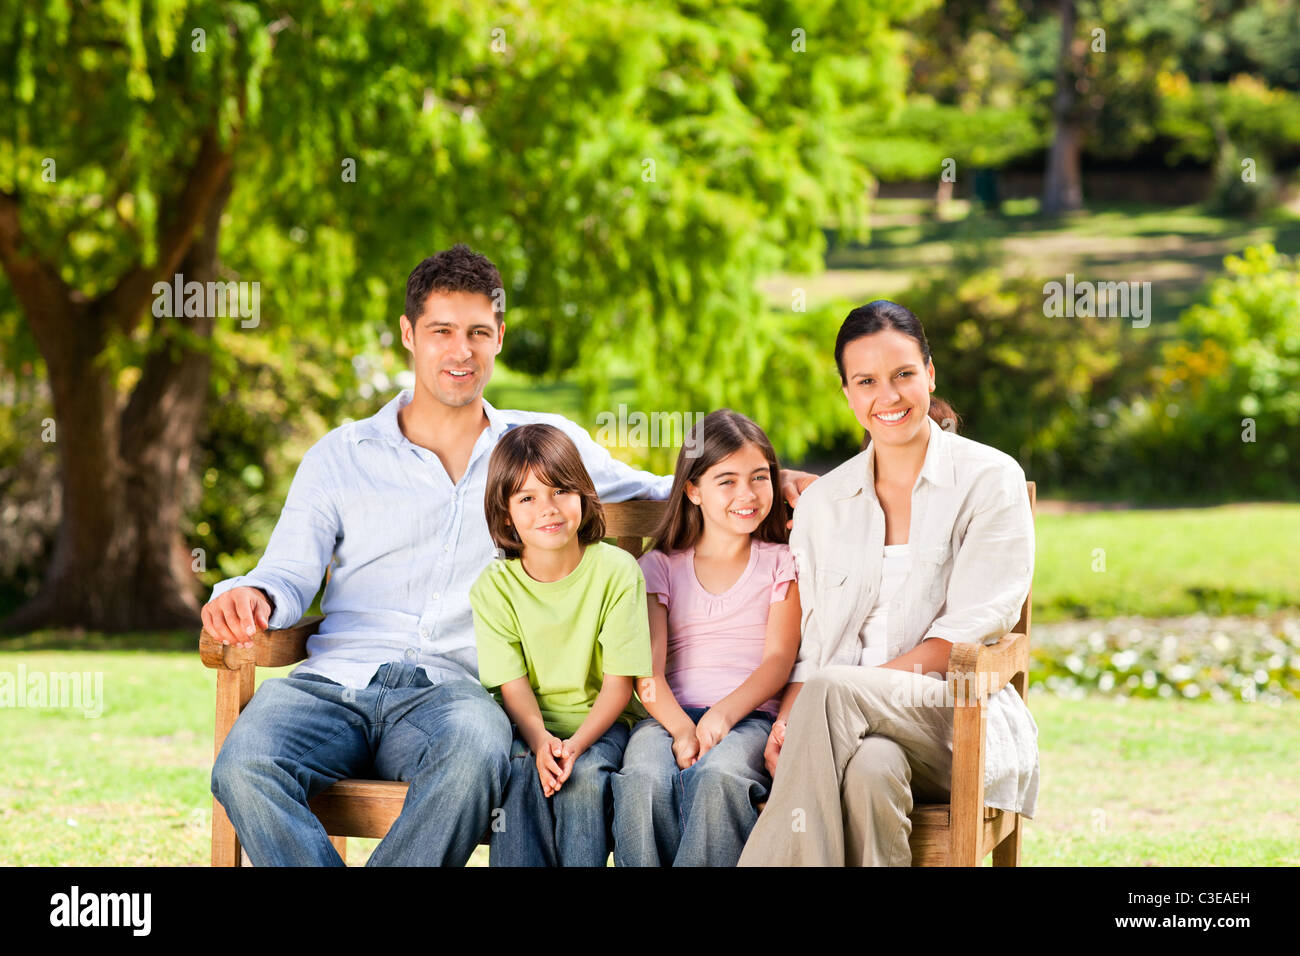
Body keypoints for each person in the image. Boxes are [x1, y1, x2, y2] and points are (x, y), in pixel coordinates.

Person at [203, 244, 818, 866]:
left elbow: (668, 489)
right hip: (333, 682)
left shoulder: (538, 449)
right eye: (442, 331)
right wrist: (250, 594)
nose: (460, 350)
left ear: (498, 337)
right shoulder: (341, 456)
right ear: (408, 335)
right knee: (245, 765)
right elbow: (283, 574)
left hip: (452, 696)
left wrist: (770, 480)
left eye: (477, 332)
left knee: (474, 759)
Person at [738, 300, 1040, 867]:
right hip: (848, 732)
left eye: (904, 374)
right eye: (867, 381)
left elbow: (963, 640)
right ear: (848, 394)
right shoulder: (825, 503)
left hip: (957, 721)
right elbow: (811, 648)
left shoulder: (987, 480)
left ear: (930, 372)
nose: (890, 395)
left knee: (834, 692)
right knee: (872, 772)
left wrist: (837, 698)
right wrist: (787, 724)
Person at [612, 410, 800, 866]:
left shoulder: (782, 562)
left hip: (749, 717)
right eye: (727, 481)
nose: (747, 494)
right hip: (668, 719)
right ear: (693, 490)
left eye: (760, 478)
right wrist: (681, 730)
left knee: (718, 777)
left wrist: (722, 715)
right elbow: (648, 673)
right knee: (640, 778)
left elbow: (778, 659)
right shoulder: (661, 566)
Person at [471, 424, 649, 866]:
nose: (547, 509)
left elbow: (619, 685)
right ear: (506, 513)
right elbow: (512, 686)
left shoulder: (616, 572)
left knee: (584, 778)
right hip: (527, 726)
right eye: (527, 498)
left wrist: (574, 746)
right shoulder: (494, 588)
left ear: (584, 496)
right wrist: (540, 741)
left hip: (602, 726)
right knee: (518, 776)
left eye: (560, 491)